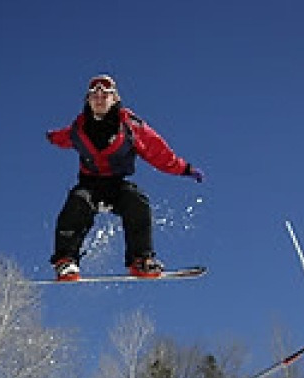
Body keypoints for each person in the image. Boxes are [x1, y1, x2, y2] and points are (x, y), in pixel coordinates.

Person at [46, 74, 203, 281]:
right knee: (78, 202)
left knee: (137, 201)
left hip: (116, 185)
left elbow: (158, 153)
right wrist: (50, 136)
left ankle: (141, 260)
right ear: (88, 101)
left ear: (115, 99)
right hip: (89, 184)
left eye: (105, 95)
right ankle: (65, 261)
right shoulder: (78, 128)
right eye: (95, 96)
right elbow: (61, 137)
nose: (100, 99)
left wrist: (185, 168)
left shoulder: (130, 126)